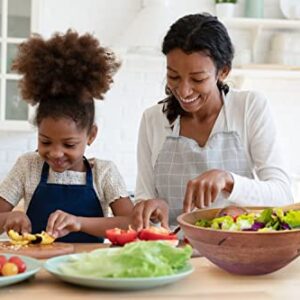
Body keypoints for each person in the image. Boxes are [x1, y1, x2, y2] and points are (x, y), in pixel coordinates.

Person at [132, 13, 294, 229]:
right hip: (173, 252)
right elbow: (143, 197)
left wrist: (229, 180)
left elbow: (282, 195)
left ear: (223, 71)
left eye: (198, 79)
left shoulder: (248, 107)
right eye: (173, 76)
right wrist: (149, 207)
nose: (183, 90)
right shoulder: (153, 119)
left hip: (235, 252)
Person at [0, 30, 134, 242]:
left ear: (91, 135)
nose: (55, 153)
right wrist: (9, 217)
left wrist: (80, 222)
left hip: (90, 270)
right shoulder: (28, 167)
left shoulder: (104, 173)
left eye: (69, 144)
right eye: (45, 141)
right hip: (37, 268)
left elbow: (131, 224)